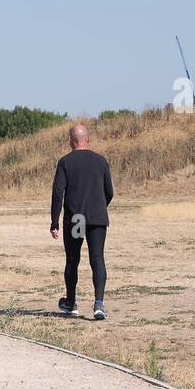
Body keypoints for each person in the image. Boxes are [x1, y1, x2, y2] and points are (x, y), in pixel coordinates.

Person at [50, 123, 113, 320]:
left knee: (72, 260)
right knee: (97, 259)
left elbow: (58, 193)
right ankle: (99, 304)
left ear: (71, 141)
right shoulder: (101, 161)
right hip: (96, 218)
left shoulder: (65, 162)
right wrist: (99, 207)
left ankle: (70, 302)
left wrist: (54, 222)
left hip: (77, 219)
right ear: (88, 139)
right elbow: (109, 192)